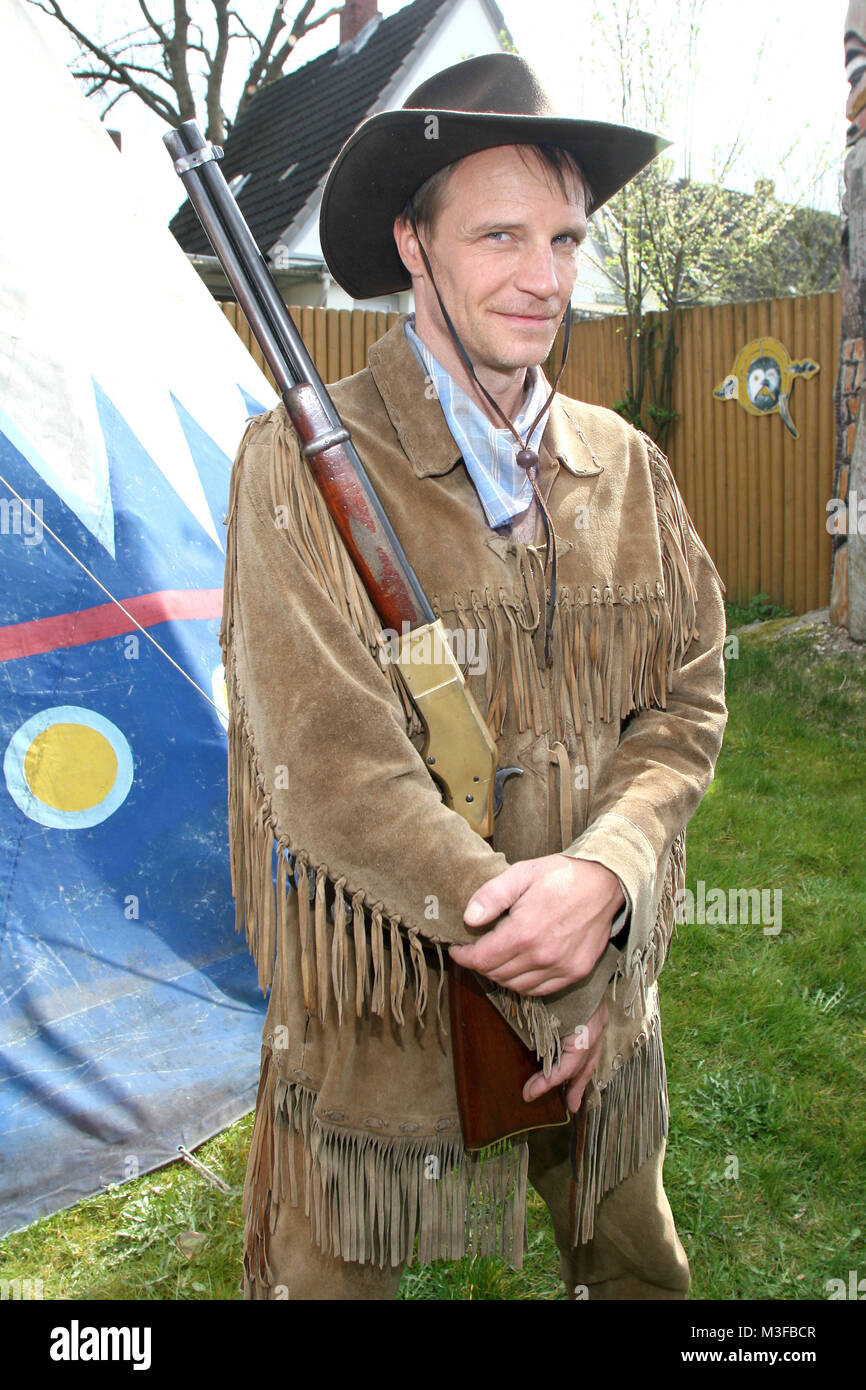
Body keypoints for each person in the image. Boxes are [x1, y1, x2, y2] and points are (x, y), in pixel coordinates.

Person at [221, 52, 728, 1301]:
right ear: (413, 244)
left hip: (603, 987)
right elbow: (326, 762)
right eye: (498, 234)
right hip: (382, 1013)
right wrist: (524, 953)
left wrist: (604, 890)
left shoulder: (625, 464)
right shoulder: (291, 465)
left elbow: (683, 704)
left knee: (636, 1273)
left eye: (563, 236)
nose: (543, 277)